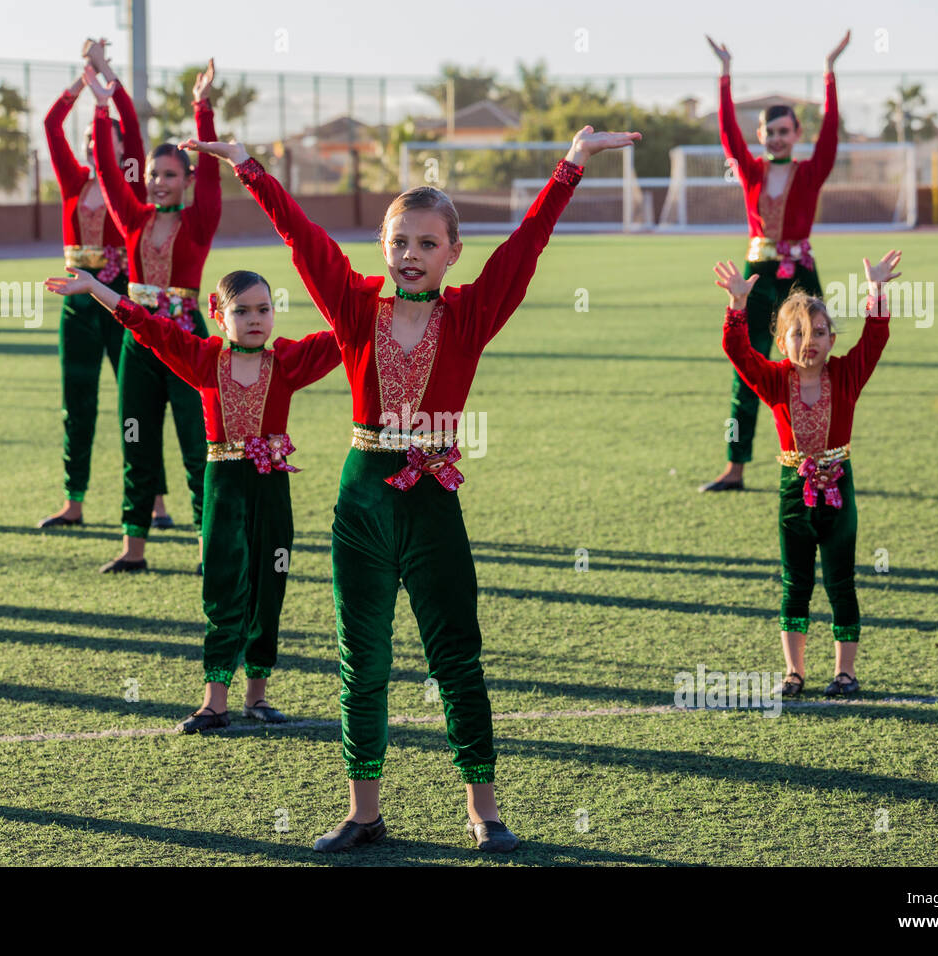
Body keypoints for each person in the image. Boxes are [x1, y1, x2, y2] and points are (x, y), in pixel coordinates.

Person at [183, 123, 641, 852]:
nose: (412, 256)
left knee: (456, 654)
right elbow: (304, 239)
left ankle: (483, 811)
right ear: (384, 247)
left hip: (431, 500)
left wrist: (571, 166)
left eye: (428, 244)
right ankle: (364, 813)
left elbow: (524, 250)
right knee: (359, 660)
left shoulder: (472, 314)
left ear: (454, 254)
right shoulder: (355, 306)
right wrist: (248, 166)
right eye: (400, 242)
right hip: (362, 498)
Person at [45, 266, 342, 729]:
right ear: (217, 316)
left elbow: (349, 332)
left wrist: (397, 293)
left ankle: (257, 698)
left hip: (272, 487)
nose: (255, 319)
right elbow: (146, 326)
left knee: (270, 586)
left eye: (264, 309)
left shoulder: (286, 362)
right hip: (223, 488)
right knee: (223, 587)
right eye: (241, 311)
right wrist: (95, 289)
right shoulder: (204, 361)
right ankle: (214, 701)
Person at [715, 250, 901, 697]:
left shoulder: (847, 374)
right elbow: (737, 351)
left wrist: (876, 289)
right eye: (797, 333)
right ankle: (794, 672)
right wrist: (738, 305)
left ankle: (845, 673)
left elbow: (875, 338)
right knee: (794, 582)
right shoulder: (777, 379)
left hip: (840, 487)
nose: (809, 341)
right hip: (793, 492)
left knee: (841, 581)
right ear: (782, 343)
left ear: (833, 339)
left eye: (819, 332)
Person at [699, 30, 850, 493]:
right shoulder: (750, 171)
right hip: (757, 277)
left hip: (802, 274)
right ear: (761, 134)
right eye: (771, 132)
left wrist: (830, 72)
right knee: (747, 367)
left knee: (815, 367)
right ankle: (735, 468)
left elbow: (829, 136)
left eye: (787, 131)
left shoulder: (811, 171)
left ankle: (821, 464)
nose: (779, 138)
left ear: (795, 134)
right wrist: (725, 75)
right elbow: (727, 132)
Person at [87, 59, 223, 573]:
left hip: (187, 342)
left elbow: (212, 170)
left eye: (170, 175)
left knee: (197, 447)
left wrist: (202, 108)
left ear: (186, 180)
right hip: (138, 342)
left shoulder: (202, 217)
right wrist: (102, 109)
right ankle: (133, 548)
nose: (159, 182)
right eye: (153, 175)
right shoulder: (134, 218)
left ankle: (209, 547)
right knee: (136, 441)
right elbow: (105, 167)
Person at [38, 39, 173, 531]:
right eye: (94, 142)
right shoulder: (74, 183)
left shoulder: (132, 184)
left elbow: (131, 122)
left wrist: (105, 72)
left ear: (121, 150)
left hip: (118, 302)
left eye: (108, 142)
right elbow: (52, 125)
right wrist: (81, 79)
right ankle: (74, 501)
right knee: (77, 402)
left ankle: (155, 499)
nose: (99, 148)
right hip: (76, 306)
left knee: (137, 406)